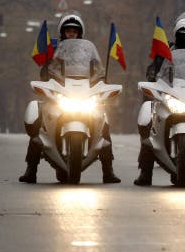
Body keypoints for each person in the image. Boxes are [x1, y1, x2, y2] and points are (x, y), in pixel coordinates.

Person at [19, 11, 120, 183]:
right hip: (61, 91)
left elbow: (96, 68)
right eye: (68, 31)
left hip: (84, 91)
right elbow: (48, 72)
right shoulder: (55, 49)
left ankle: (108, 171)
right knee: (40, 127)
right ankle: (31, 170)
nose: (71, 33)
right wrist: (46, 71)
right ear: (63, 32)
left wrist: (101, 79)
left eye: (74, 31)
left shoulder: (86, 50)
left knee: (103, 123)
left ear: (80, 32)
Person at [134, 11, 185, 186]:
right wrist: (152, 77)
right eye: (184, 35)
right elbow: (153, 71)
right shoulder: (164, 52)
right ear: (176, 34)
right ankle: (146, 171)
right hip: (169, 96)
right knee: (149, 124)